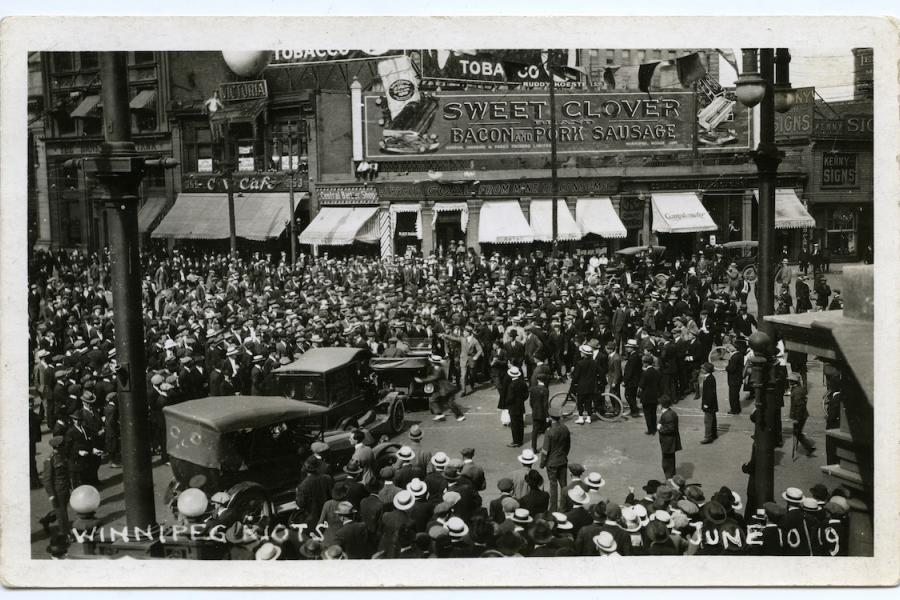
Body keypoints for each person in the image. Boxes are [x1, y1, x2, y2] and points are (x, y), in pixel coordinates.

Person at [415, 354, 465, 423]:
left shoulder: (439, 369)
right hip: (441, 389)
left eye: (432, 362)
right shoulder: (435, 368)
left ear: (434, 362)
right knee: (433, 400)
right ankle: (439, 414)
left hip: (446, 389)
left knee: (450, 403)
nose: (431, 363)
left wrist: (422, 380)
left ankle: (460, 415)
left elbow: (433, 377)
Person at [540, 404, 570, 512]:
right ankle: (564, 506)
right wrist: (564, 455)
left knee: (553, 486)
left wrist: (542, 463)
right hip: (562, 460)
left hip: (552, 463)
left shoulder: (549, 431)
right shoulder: (565, 429)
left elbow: (545, 450)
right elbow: (568, 446)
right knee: (564, 485)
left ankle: (553, 508)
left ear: (550, 417)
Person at [39, 436, 71, 538]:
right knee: (62, 512)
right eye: (63, 445)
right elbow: (47, 480)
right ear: (57, 447)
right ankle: (66, 534)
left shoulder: (62, 455)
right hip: (57, 490)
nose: (65, 446)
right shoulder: (49, 460)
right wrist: (51, 495)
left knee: (61, 509)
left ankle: (46, 520)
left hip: (65, 487)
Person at [569, 344, 598, 425]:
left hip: (581, 386)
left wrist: (572, 383)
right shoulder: (594, 362)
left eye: (581, 352)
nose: (580, 353)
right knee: (589, 402)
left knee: (580, 402)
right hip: (591, 385)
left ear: (584, 354)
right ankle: (589, 418)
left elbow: (576, 376)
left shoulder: (579, 363)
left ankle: (581, 417)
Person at [788, 373, 816, 456]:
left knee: (797, 433)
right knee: (797, 432)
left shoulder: (796, 391)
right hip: (801, 415)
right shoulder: (798, 389)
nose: (789, 382)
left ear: (794, 382)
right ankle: (809, 448)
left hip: (800, 416)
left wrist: (797, 419)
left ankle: (809, 448)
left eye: (790, 380)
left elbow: (799, 407)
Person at [504, 366, 529, 448]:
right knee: (520, 423)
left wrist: (507, 404)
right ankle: (520, 440)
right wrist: (521, 400)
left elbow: (510, 398)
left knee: (514, 425)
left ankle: (515, 441)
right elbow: (526, 394)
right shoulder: (523, 383)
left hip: (513, 407)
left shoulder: (511, 385)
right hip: (521, 406)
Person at [658, 396, 681, 479]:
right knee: (669, 460)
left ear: (662, 405)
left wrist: (660, 428)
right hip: (669, 442)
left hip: (668, 442)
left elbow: (670, 429)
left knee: (667, 462)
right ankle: (670, 476)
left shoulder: (668, 415)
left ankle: (669, 478)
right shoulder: (669, 413)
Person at [638, 354, 661, 435]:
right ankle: (654, 428)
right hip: (654, 395)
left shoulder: (645, 373)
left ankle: (650, 429)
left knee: (647, 414)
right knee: (653, 413)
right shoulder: (656, 372)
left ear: (645, 363)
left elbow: (641, 385)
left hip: (646, 396)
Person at [528, 371, 550, 452]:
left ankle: (533, 447)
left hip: (535, 412)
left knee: (535, 430)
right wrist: (547, 415)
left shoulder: (533, 389)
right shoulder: (545, 390)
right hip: (543, 413)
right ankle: (547, 447)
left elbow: (531, 402)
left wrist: (534, 409)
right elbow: (545, 404)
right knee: (547, 430)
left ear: (537, 380)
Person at [700, 362, 718, 444]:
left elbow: (710, 393)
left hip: (709, 403)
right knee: (712, 419)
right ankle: (713, 434)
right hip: (712, 403)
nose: (701, 369)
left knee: (708, 420)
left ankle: (708, 436)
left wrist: (706, 404)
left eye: (703, 368)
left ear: (706, 370)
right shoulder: (710, 377)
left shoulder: (709, 379)